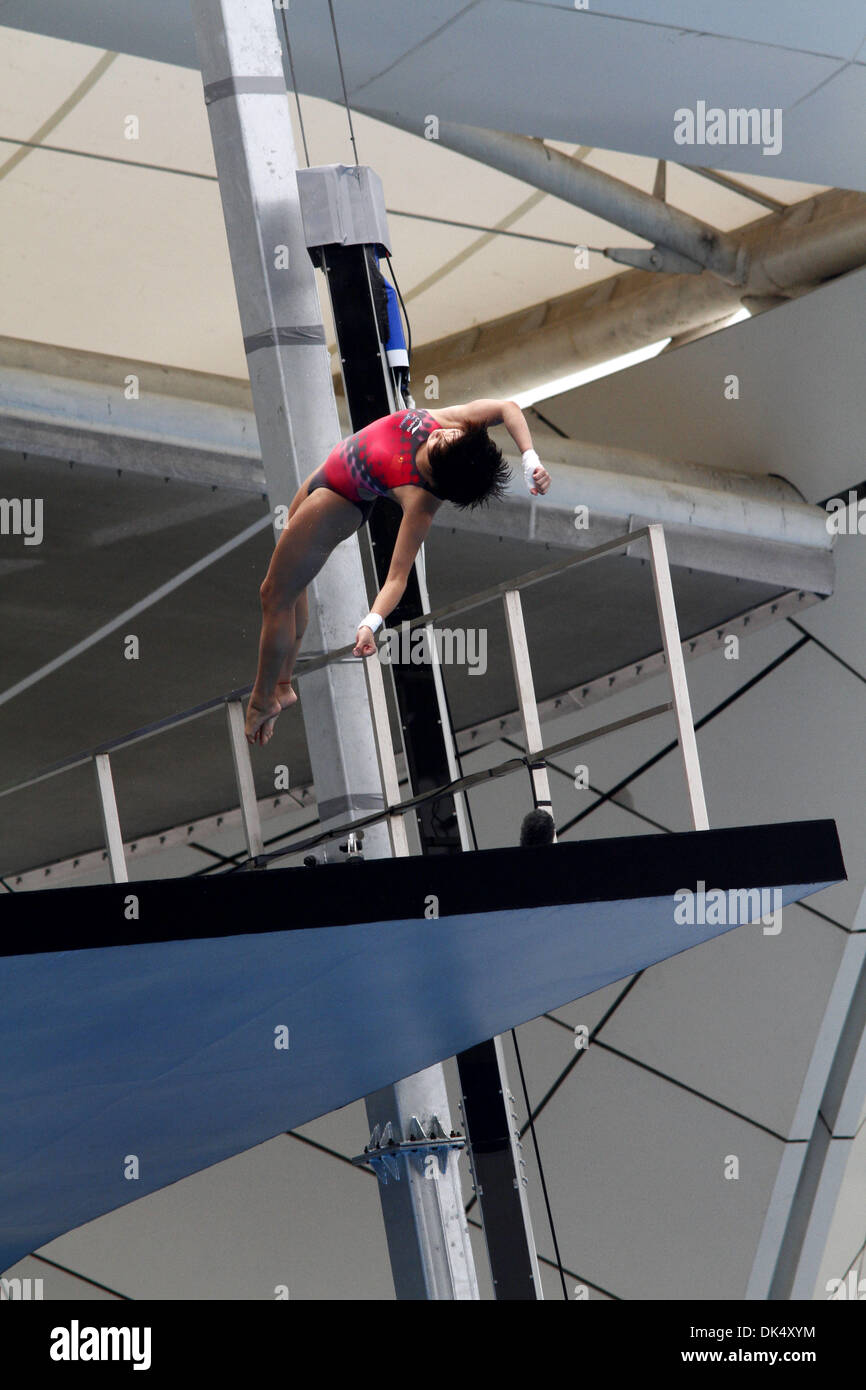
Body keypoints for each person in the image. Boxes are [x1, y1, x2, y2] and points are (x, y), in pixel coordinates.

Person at [244, 400, 551, 746]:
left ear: (437, 473)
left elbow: (397, 578)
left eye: (444, 440)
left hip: (337, 500)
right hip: (327, 471)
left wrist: (371, 622)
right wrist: (530, 458)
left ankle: (262, 698)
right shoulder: (453, 426)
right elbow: (508, 408)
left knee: (274, 594)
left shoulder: (420, 501)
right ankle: (282, 686)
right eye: (452, 432)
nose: (445, 431)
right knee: (291, 586)